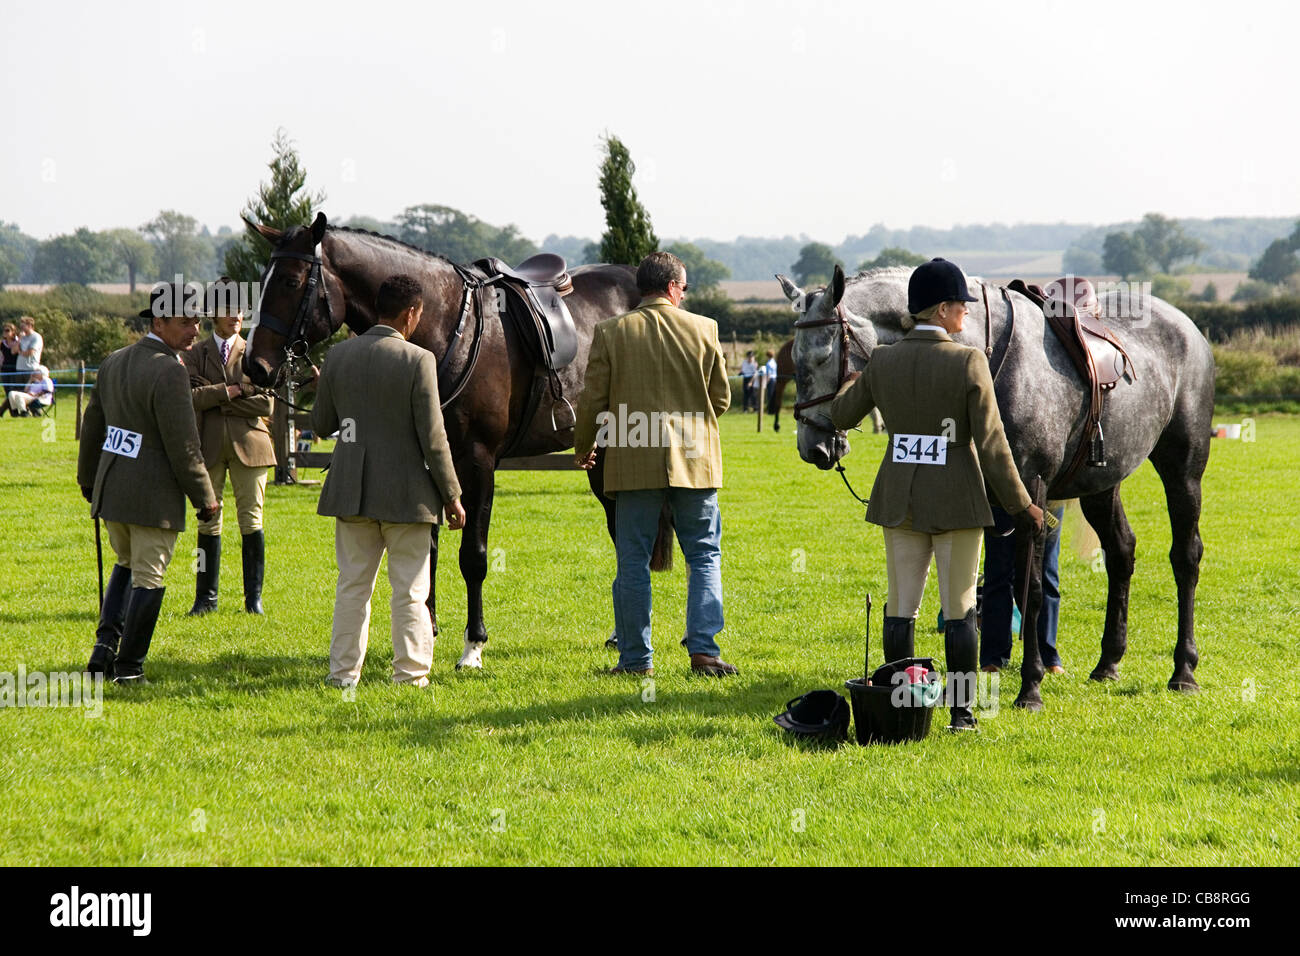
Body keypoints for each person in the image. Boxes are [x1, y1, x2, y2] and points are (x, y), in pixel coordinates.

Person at [829, 258, 1044, 730]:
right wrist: (1021, 504)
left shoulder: (883, 360)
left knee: (901, 607)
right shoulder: (969, 361)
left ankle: (904, 706)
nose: (966, 313)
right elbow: (991, 443)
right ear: (943, 309)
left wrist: (855, 382)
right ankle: (962, 712)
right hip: (957, 500)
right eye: (961, 306)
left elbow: (841, 415)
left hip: (899, 497)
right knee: (961, 607)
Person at [574, 251, 737, 677]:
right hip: (695, 460)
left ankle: (635, 660)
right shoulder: (705, 329)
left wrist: (583, 445)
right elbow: (721, 399)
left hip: (631, 459)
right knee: (703, 555)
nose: (684, 294)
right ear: (671, 287)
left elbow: (593, 400)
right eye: (684, 288)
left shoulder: (610, 332)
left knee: (632, 562)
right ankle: (704, 653)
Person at [312, 274, 466, 688]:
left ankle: (343, 675)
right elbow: (434, 437)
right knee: (411, 591)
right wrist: (453, 494)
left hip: (352, 490)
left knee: (352, 589)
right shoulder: (419, 360)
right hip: (407, 494)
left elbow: (322, 423)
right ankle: (411, 675)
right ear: (411, 313)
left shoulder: (338, 357)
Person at [77, 282, 218, 684]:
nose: (195, 330)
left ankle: (103, 652)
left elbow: (93, 428)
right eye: (187, 322)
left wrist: (89, 481)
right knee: (148, 577)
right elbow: (184, 446)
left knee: (125, 565)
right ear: (159, 321)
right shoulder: (171, 370)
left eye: (198, 322)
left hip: (112, 491)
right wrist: (205, 498)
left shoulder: (113, 361)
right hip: (151, 498)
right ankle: (129, 668)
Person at [183, 278, 277, 615]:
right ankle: (205, 599)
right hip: (206, 448)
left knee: (251, 521)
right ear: (213, 314)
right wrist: (235, 390)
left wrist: (216, 397)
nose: (235, 315)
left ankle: (253, 600)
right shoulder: (194, 353)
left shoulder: (257, 351)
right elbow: (191, 397)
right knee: (207, 523)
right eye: (227, 309)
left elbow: (266, 404)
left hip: (251, 447)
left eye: (239, 309)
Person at [981, 503, 1065, 674]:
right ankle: (993, 657)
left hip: (1050, 495)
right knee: (998, 571)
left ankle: (1047, 655)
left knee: (1046, 572)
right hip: (1004, 492)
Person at [0, 323, 20, 415]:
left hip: (15, 369)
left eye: (8, 330)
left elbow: (14, 352)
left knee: (13, 391)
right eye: (4, 330)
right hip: (5, 369)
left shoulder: (17, 342)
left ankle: (2, 410)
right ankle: (13, 412)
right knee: (8, 391)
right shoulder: (2, 344)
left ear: (13, 332)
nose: (5, 332)